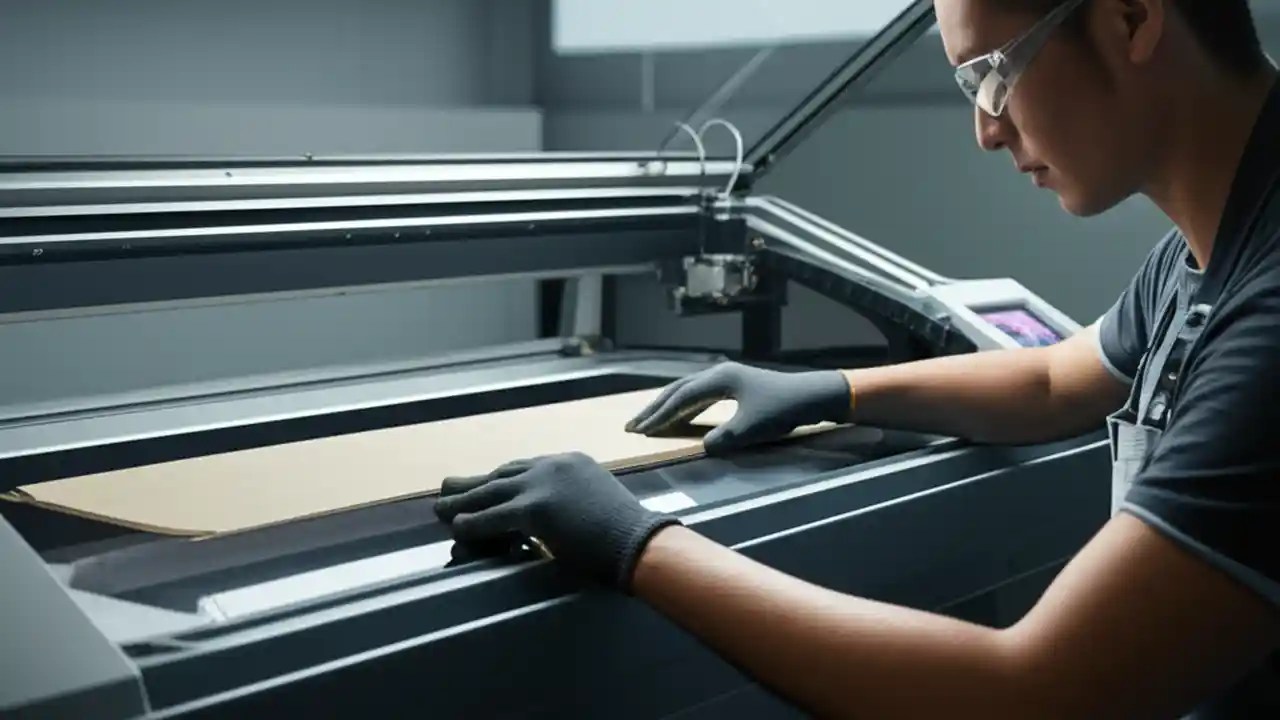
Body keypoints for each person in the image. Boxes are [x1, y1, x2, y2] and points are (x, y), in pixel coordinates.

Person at [436, 0, 1280, 716]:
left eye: (994, 73)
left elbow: (1031, 693)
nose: (987, 130)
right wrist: (834, 390)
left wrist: (636, 542)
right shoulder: (1207, 249)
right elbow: (1052, 377)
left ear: (1130, 17)